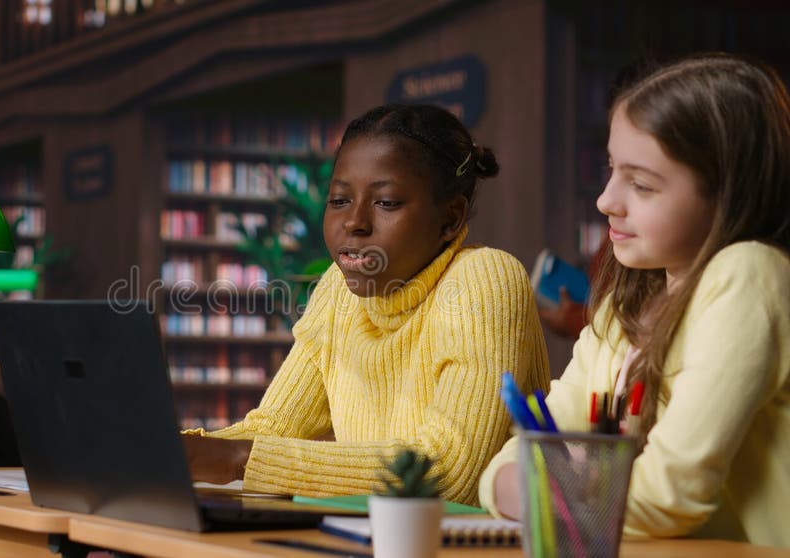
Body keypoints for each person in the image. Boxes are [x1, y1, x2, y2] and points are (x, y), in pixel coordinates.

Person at [478, 53, 790, 548]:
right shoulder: (623, 303)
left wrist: (547, 491)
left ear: (729, 194)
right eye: (612, 169)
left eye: (642, 184)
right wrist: (554, 490)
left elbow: (668, 495)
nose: (606, 200)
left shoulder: (748, 274)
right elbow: (509, 464)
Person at [182, 104, 550, 505]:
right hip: (372, 534)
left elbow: (443, 471)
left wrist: (236, 460)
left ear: (450, 218)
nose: (354, 222)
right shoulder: (337, 290)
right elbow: (273, 428)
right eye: (339, 200)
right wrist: (172, 452)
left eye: (386, 203)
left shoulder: (485, 279)